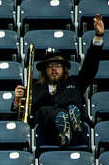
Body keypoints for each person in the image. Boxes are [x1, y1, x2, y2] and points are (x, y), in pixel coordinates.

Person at [14, 15, 104, 147]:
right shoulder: (35, 87)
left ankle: (71, 122)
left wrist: (98, 37)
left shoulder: (75, 82)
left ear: (64, 68)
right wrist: (17, 100)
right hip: (48, 134)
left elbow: (90, 66)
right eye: (50, 66)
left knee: (72, 105)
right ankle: (66, 121)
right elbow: (24, 117)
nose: (54, 69)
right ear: (44, 70)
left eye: (57, 65)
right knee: (45, 110)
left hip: (77, 134)